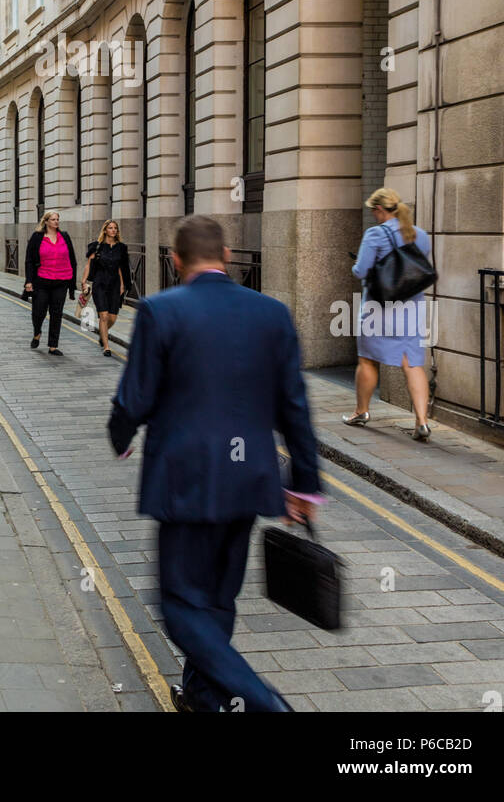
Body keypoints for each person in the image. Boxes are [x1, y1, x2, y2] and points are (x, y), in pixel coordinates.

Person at [108, 215, 322, 713]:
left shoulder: (161, 311)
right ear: (226, 256)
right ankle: (204, 698)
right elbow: (295, 407)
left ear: (176, 261)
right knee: (219, 598)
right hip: (247, 479)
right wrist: (304, 486)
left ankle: (265, 702)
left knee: (181, 607)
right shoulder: (272, 313)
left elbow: (133, 400)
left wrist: (120, 439)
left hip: (184, 479)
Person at [345, 187, 433, 441]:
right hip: (411, 307)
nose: (373, 215)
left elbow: (361, 271)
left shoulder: (374, 235)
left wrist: (355, 265)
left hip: (379, 307)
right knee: (413, 363)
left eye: (373, 210)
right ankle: (422, 421)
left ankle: (361, 412)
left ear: (380, 209)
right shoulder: (420, 235)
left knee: (368, 360)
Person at [24, 210, 77, 357]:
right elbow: (29, 260)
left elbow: (72, 259)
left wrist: (73, 283)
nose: (56, 222)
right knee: (38, 311)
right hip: (42, 280)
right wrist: (29, 280)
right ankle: (37, 332)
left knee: (56, 313)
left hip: (61, 280)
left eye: (57, 219)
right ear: (46, 221)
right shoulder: (37, 237)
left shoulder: (64, 237)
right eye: (53, 219)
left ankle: (53, 346)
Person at [81, 220, 131, 357]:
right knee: (103, 315)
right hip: (100, 283)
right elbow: (89, 265)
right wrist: (84, 281)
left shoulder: (121, 248)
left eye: (115, 228)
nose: (113, 230)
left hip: (115, 284)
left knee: (112, 318)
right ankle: (106, 346)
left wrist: (122, 285)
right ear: (105, 230)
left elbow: (121, 268)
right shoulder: (97, 247)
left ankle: (103, 334)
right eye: (110, 228)